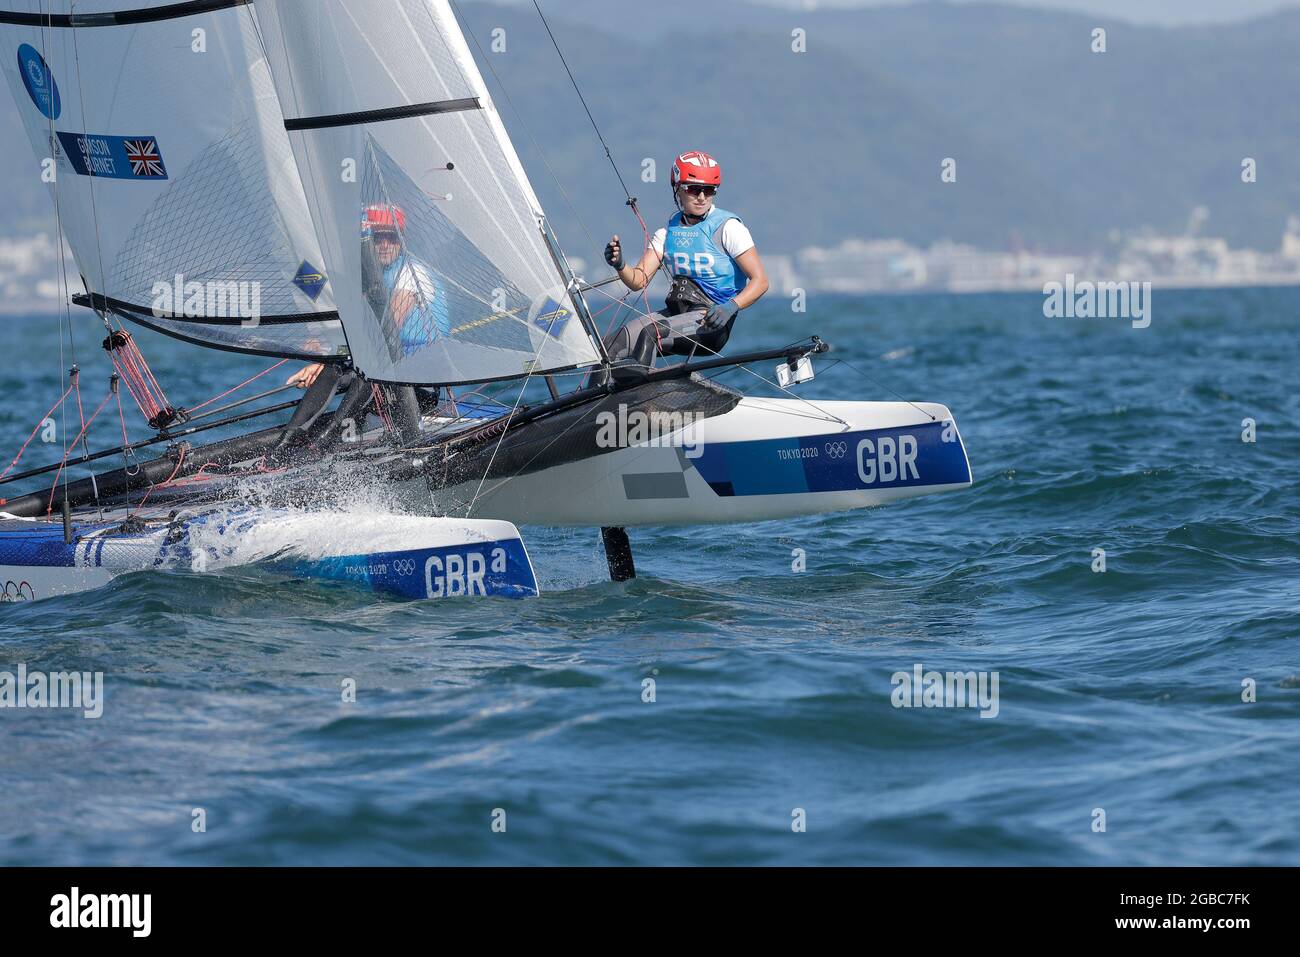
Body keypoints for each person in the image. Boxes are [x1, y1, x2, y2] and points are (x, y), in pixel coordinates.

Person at [600, 150, 769, 375]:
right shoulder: (666, 234)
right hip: (676, 315)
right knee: (608, 346)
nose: (701, 197)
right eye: (693, 189)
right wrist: (619, 264)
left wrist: (731, 307)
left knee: (651, 333)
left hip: (711, 322)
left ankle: (642, 403)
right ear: (678, 188)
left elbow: (761, 281)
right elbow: (638, 280)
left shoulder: (728, 228)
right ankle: (583, 407)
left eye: (708, 190)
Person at [288, 203, 450, 389]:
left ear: (402, 241)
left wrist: (327, 361)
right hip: (387, 369)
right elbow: (353, 323)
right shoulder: (367, 277)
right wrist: (325, 345)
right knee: (332, 374)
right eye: (378, 237)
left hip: (423, 375)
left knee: (335, 371)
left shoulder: (411, 274)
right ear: (366, 241)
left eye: (392, 238)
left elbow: (387, 329)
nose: (385, 245)